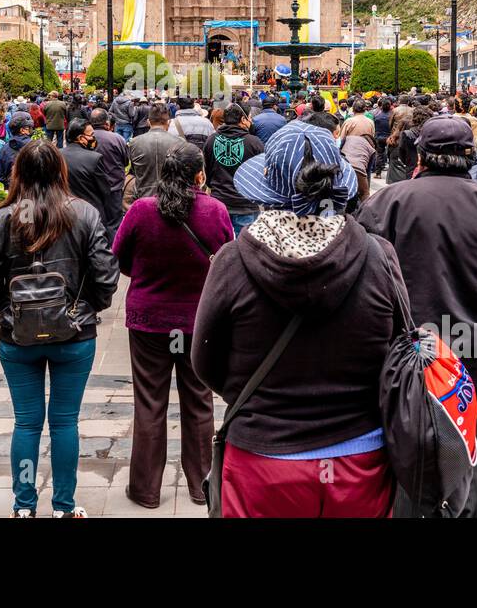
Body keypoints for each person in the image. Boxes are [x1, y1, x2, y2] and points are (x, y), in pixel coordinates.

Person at [194, 120, 405, 517]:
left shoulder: (233, 262)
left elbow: (205, 361)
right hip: (359, 458)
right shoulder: (379, 257)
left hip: (262, 459)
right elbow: (397, 347)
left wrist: (255, 395)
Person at [358, 114, 477, 517]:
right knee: (474, 443)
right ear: (469, 155)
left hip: (403, 351)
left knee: (402, 440)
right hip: (472, 350)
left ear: (420, 155)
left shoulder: (385, 204)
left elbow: (362, 278)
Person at [0, 139, 119, 517]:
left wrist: (9, 310)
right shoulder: (84, 214)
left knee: (26, 423)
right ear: (61, 172)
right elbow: (106, 278)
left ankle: (24, 506)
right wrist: (84, 308)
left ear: (18, 173)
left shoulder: (3, 219)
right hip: (73, 334)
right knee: (64, 422)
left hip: (18, 336)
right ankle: (63, 505)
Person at [113, 142, 233, 509]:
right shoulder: (215, 211)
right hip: (197, 321)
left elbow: (121, 259)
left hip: (150, 320)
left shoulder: (141, 210)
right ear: (200, 175)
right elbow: (227, 261)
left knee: (149, 403)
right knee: (199, 402)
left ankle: (146, 490)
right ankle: (201, 486)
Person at [201, 104, 265, 235]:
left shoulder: (211, 140)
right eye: (250, 118)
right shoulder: (254, 142)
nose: (251, 121)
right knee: (245, 250)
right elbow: (261, 175)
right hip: (246, 205)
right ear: (242, 119)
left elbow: (205, 172)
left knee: (220, 250)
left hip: (219, 204)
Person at [61, 117, 116, 236]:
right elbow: (105, 190)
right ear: (81, 138)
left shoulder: (57, 155)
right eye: (91, 135)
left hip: (64, 212)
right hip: (91, 214)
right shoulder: (94, 158)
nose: (94, 138)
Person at [128, 103, 181, 200]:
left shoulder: (134, 143)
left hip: (143, 197)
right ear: (168, 122)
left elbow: (133, 170)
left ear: (148, 122)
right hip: (171, 198)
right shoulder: (179, 143)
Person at [88, 108, 127, 236]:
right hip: (113, 187)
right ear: (107, 123)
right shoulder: (117, 139)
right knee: (114, 223)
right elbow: (126, 161)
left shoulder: (85, 138)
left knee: (93, 222)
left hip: (91, 188)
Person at [338, 112, 377, 207]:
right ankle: (365, 213)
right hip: (359, 169)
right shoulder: (372, 149)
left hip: (343, 165)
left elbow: (339, 150)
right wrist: (364, 186)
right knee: (365, 195)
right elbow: (369, 170)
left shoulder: (349, 138)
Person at [0, 111, 34, 188]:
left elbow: (1, 176)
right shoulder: (36, 147)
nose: (31, 131)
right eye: (29, 128)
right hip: (33, 192)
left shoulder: (4, 149)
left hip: (11, 191)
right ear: (23, 130)